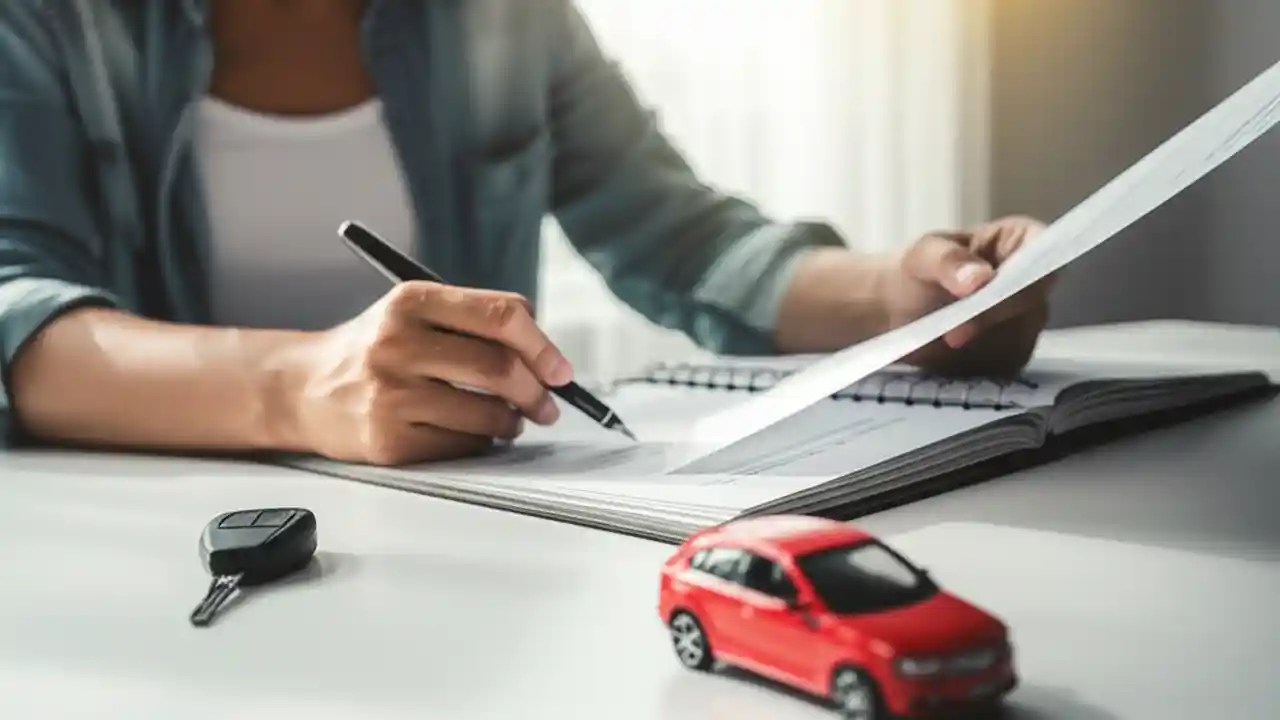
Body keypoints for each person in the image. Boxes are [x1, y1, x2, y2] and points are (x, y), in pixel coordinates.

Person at [0, 1, 1052, 465]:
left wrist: (902, 301)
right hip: (173, 558)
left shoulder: (507, 15)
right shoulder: (49, 21)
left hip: (471, 530)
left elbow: (677, 239)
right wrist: (301, 385)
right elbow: (17, 313)